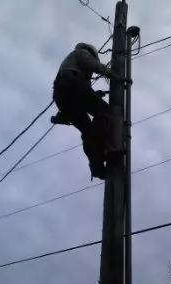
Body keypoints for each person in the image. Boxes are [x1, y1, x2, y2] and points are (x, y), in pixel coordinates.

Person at [51, 42, 122, 180]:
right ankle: (108, 147)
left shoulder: (70, 65)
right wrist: (112, 74)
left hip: (61, 97)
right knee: (105, 111)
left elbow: (84, 93)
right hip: (72, 84)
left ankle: (97, 166)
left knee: (88, 131)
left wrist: (96, 94)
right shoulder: (82, 53)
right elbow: (91, 66)